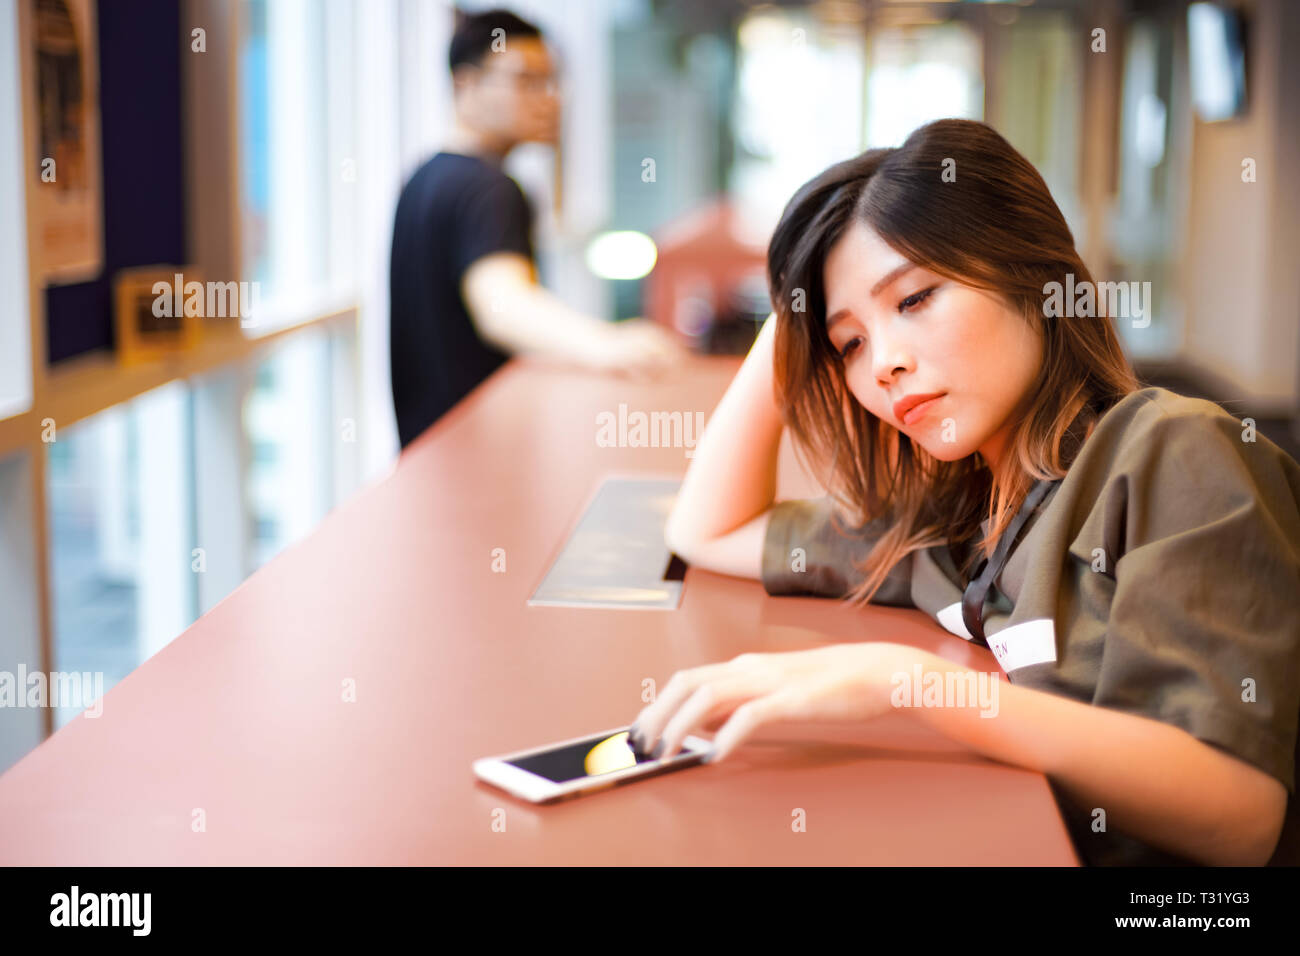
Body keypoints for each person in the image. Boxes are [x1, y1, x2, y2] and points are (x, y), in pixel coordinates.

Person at [630, 119, 1300, 867]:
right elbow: (707, 531)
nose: (883, 364)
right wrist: (793, 310)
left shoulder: (1174, 453)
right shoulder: (954, 519)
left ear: (1032, 278)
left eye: (914, 299)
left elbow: (1238, 813)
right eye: (850, 343)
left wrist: (912, 683)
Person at [389, 8, 682, 449]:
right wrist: (609, 344)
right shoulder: (488, 187)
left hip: (427, 456)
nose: (551, 98)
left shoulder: (425, 177)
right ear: (464, 84)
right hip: (470, 457)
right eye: (527, 80)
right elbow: (501, 305)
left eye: (552, 80)